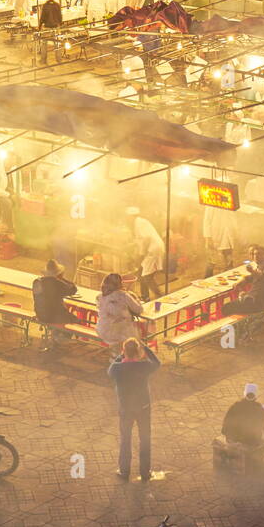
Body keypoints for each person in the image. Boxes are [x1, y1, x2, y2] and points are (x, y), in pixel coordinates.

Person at [108, 336, 162, 482]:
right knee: (145, 439)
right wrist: (145, 348)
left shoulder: (117, 368)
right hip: (143, 407)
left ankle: (124, 471)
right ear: (138, 352)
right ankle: (145, 472)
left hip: (126, 408)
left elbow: (110, 371)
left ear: (124, 351)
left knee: (126, 439)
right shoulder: (144, 366)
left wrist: (122, 355)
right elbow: (157, 363)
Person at [94, 272, 144, 353]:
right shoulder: (124, 295)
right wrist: (136, 298)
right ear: (119, 284)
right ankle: (128, 356)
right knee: (136, 332)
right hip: (119, 332)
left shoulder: (99, 297)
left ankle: (115, 354)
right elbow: (139, 310)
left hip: (103, 330)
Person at [221, 382, 264, 463]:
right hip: (251, 441)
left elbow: (226, 423)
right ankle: (261, 458)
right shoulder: (259, 409)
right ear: (255, 395)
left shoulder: (235, 406)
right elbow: (263, 425)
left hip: (232, 439)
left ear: (244, 393)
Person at [126, 205, 166, 300]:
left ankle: (160, 296)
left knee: (147, 276)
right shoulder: (139, 222)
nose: (127, 219)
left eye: (127, 217)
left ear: (131, 216)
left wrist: (141, 253)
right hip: (153, 249)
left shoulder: (139, 222)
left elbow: (146, 238)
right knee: (141, 273)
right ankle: (145, 297)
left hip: (153, 250)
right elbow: (141, 239)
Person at [32, 258, 78, 334]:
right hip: (54, 317)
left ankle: (55, 336)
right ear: (58, 274)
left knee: (64, 315)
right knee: (75, 320)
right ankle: (59, 338)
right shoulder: (57, 284)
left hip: (40, 315)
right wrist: (62, 279)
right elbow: (73, 289)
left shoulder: (36, 282)